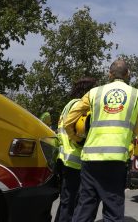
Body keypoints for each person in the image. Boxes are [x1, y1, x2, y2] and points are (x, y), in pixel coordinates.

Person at [65, 59, 138, 222]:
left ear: (109, 74)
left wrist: (76, 139)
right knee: (113, 209)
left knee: (85, 206)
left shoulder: (94, 93)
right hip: (116, 161)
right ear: (127, 74)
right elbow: (137, 131)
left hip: (90, 159)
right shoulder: (137, 95)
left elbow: (69, 121)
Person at [54, 77, 97, 222]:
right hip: (74, 159)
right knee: (72, 202)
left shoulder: (69, 105)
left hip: (63, 157)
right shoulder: (80, 106)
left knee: (66, 200)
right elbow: (80, 131)